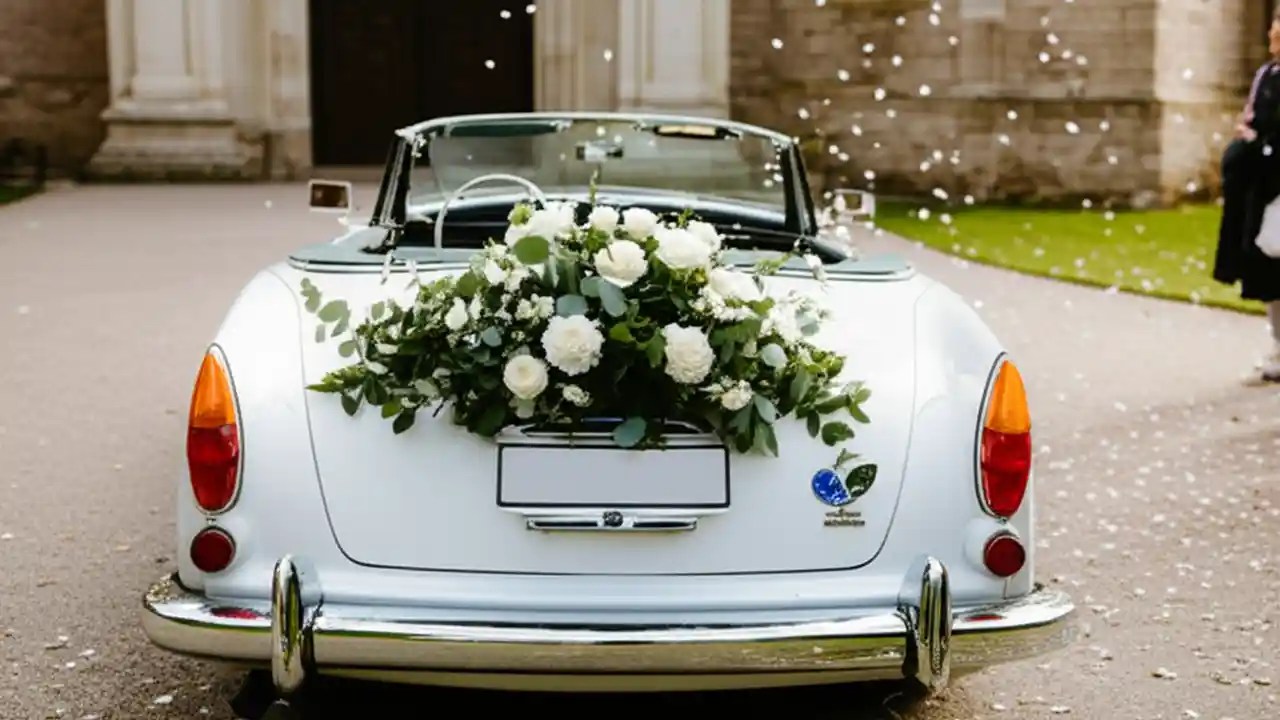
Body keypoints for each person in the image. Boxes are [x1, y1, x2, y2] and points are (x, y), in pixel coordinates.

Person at [1213, 8, 1280, 383]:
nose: (1272, 30)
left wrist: (1263, 141)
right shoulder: (1265, 75)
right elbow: (1252, 117)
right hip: (1263, 184)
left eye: (1278, 23)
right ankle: (1278, 346)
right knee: (1268, 270)